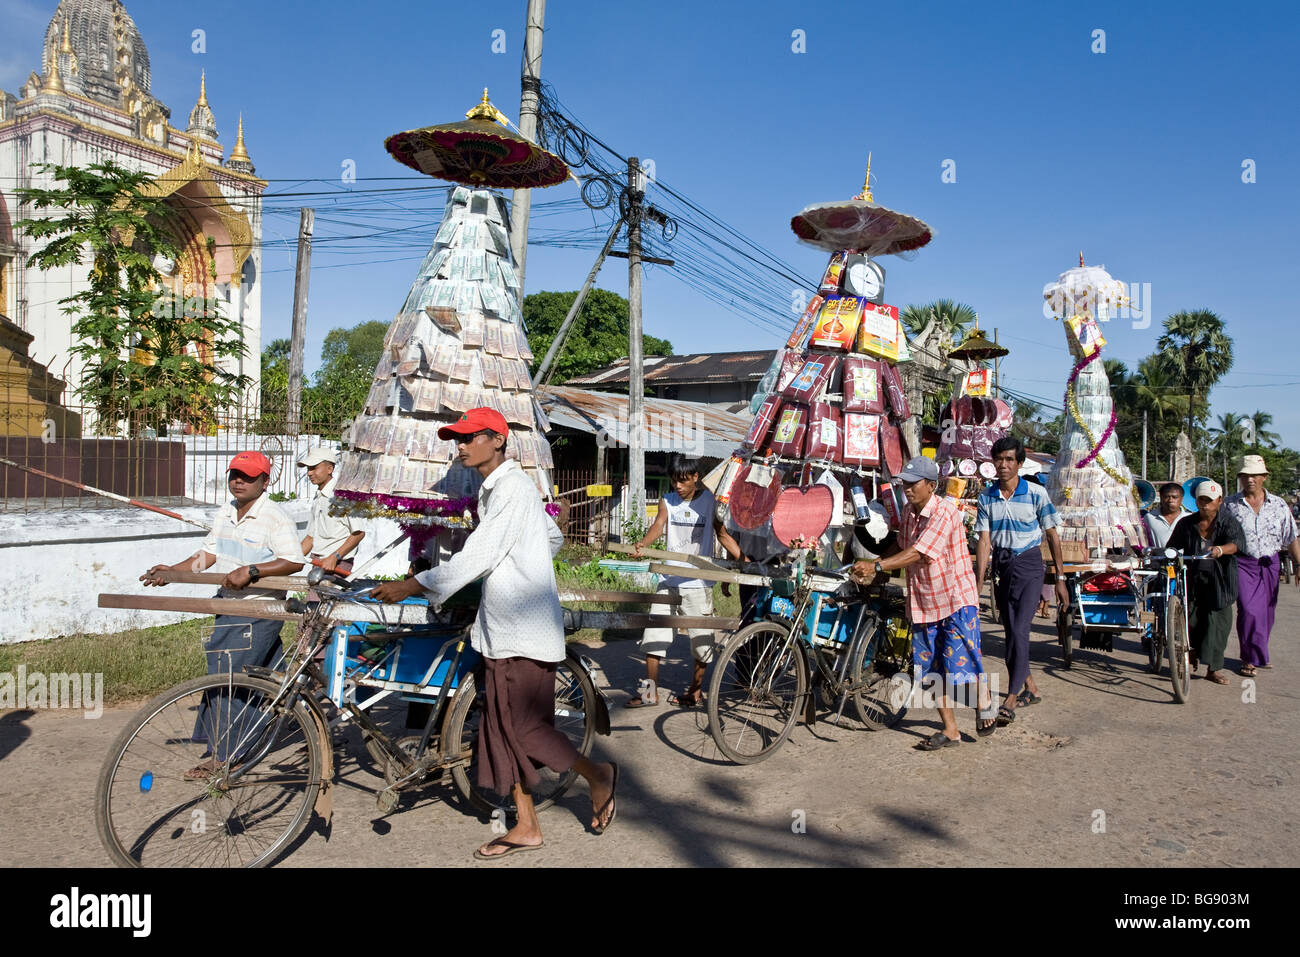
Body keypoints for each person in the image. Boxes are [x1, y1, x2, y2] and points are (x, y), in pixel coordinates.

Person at [370, 408, 616, 860]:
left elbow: (480, 553)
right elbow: (549, 537)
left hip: (521, 629)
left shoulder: (512, 488)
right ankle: (526, 825)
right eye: (456, 439)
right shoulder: (501, 491)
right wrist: (524, 562)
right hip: (505, 626)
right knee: (501, 729)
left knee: (523, 728)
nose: (460, 446)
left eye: (469, 438)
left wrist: (414, 584)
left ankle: (597, 774)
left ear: (497, 440)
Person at [141, 451, 305, 776]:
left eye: (247, 476)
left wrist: (253, 570)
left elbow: (294, 560)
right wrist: (173, 572)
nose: (239, 481)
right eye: (234, 475)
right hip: (228, 603)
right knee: (259, 677)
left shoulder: (274, 517)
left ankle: (226, 756)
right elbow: (209, 555)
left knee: (227, 676)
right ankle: (271, 726)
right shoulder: (227, 512)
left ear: (265, 481)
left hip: (258, 609)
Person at [852, 455, 996, 749]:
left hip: (955, 597)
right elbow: (902, 545)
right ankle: (951, 730)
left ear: (931, 485)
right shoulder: (908, 511)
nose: (907, 487)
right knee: (930, 669)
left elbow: (919, 552)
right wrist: (877, 563)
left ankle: (984, 697)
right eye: (905, 482)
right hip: (923, 600)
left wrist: (878, 567)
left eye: (913, 482)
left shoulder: (945, 513)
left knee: (960, 663)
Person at [625, 454, 744, 709]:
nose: (677, 486)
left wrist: (743, 559)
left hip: (698, 584)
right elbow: (658, 525)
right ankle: (650, 693)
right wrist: (644, 544)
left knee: (702, 643)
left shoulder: (710, 502)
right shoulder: (667, 501)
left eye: (682, 481)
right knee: (653, 637)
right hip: (668, 580)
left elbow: (721, 534)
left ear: (695, 478)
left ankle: (695, 691)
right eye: (674, 481)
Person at [974, 437, 1069, 725]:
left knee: (1019, 630)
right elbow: (984, 541)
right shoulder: (986, 496)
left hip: (1029, 565)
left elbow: (1052, 535)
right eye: (999, 459)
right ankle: (1031, 688)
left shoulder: (1037, 494)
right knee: (1009, 630)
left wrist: (1061, 579)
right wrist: (978, 583)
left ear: (1019, 462)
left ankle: (1012, 698)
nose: (1003, 465)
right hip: (1002, 567)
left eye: (1009, 460)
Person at [1222, 455, 1300, 676]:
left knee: (1266, 612)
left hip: (1270, 563)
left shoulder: (1278, 505)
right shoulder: (1230, 505)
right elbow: (1218, 533)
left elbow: (1291, 536)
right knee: (1249, 610)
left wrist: (1298, 563)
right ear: (1240, 478)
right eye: (1245, 475)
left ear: (1264, 477)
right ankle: (1249, 658)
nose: (1250, 480)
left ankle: (1259, 653)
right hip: (1242, 563)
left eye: (1255, 475)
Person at [1167, 480, 1243, 685]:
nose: (1205, 504)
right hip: (1193, 579)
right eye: (1201, 500)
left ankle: (1214, 669)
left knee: (1217, 624)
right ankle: (1189, 656)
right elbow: (1172, 547)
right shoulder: (1187, 523)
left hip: (1221, 580)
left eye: (1209, 500)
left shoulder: (1229, 521)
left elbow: (1237, 544)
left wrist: (1220, 549)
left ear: (1219, 500)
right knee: (1190, 620)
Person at [298, 447, 364, 575]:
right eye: (308, 469)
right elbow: (310, 538)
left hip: (337, 565)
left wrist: (335, 557)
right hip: (318, 562)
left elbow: (359, 533)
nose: (309, 473)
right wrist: (290, 558)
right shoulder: (319, 497)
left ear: (330, 469)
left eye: (314, 468)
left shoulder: (343, 496)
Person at [1145, 482, 1191, 551]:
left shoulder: (1189, 518)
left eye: (1174, 497)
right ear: (1160, 498)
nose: (1170, 500)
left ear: (1181, 499)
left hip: (1184, 560)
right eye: (1166, 497)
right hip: (1158, 560)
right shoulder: (1149, 517)